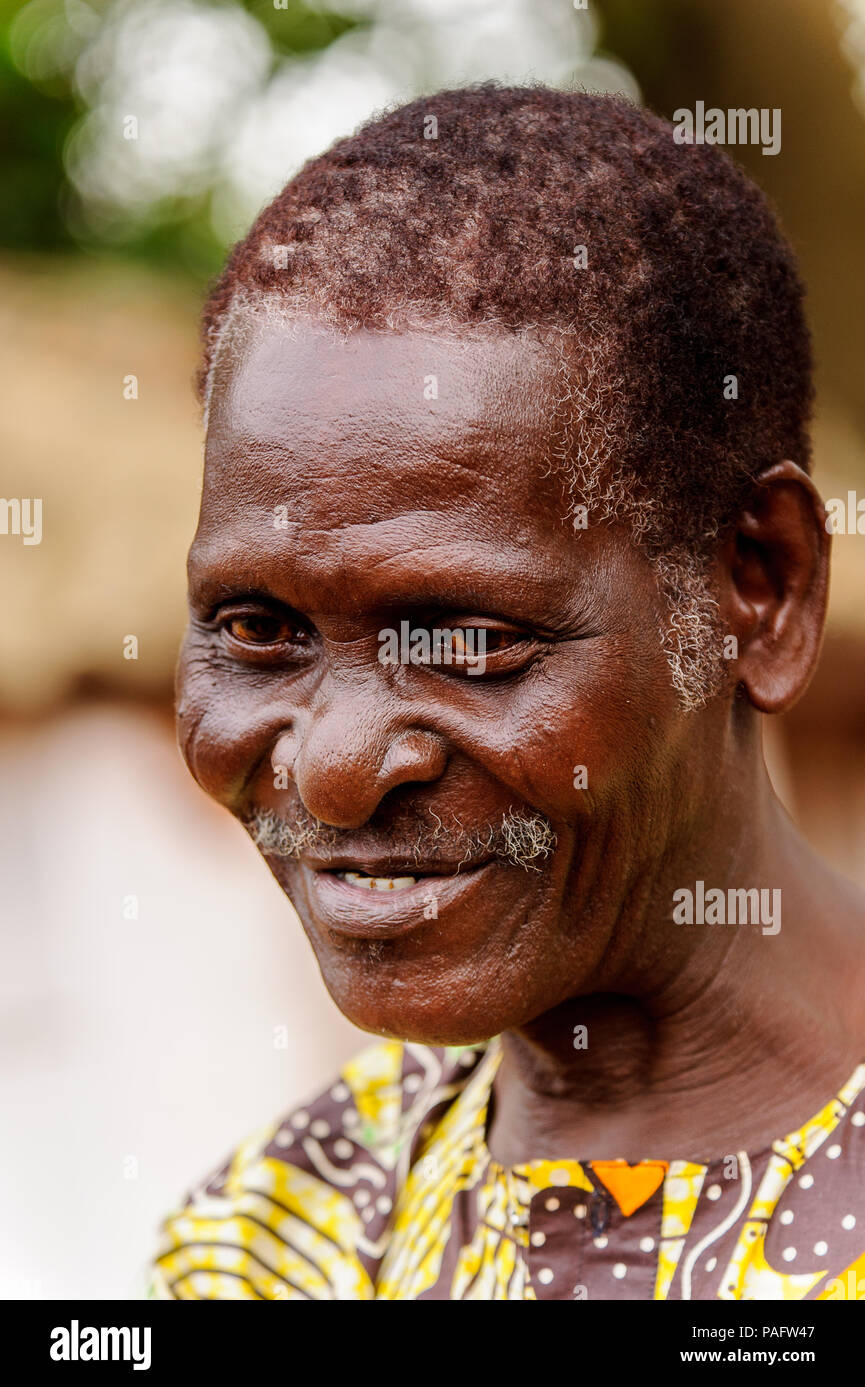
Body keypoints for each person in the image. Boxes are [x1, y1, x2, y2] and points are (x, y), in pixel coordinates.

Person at [150, 84, 865, 1301]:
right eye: (258, 629)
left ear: (759, 585)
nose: (328, 769)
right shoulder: (279, 1238)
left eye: (469, 639)